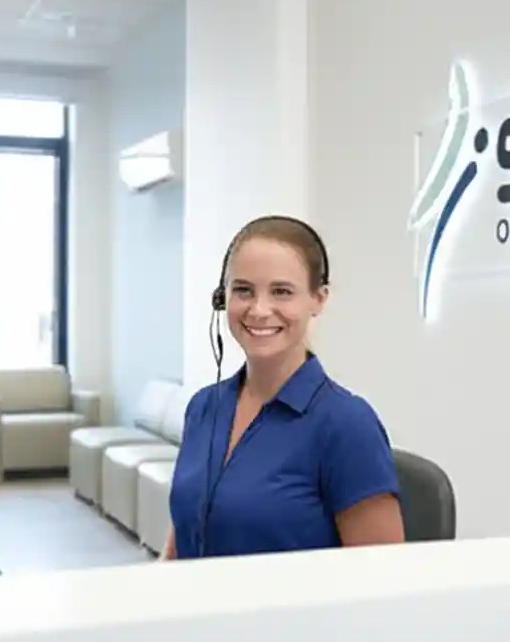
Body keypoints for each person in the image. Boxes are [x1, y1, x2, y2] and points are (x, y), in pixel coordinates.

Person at [161, 215, 405, 560]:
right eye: (243, 290)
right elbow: (177, 548)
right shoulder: (204, 408)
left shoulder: (347, 424)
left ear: (318, 299)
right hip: (195, 612)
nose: (259, 310)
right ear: (222, 297)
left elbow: (385, 581)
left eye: (282, 292)